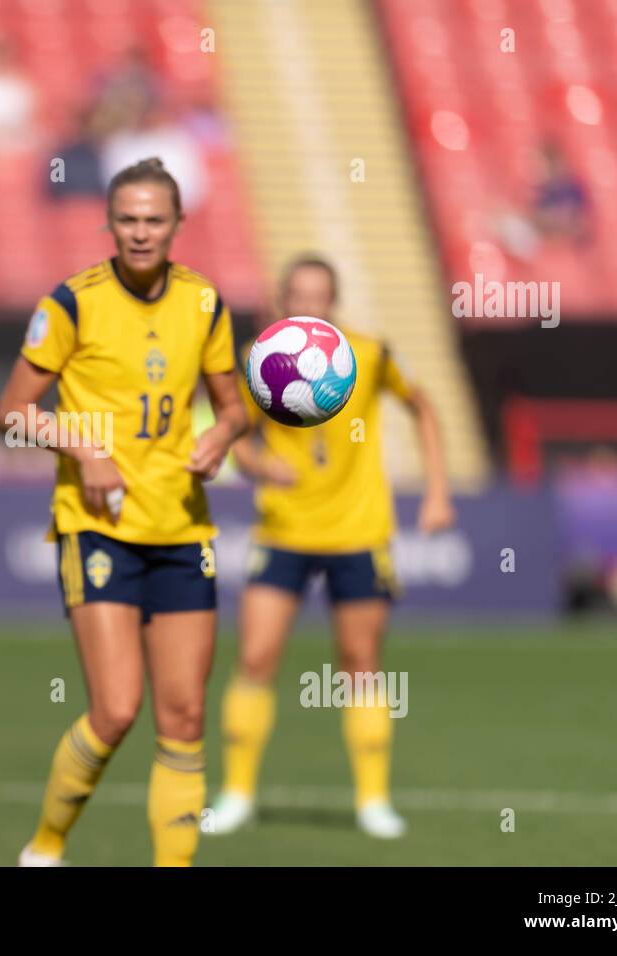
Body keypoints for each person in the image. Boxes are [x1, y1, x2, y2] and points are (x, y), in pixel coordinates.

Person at [0, 158, 247, 866]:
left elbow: (233, 410)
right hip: (98, 525)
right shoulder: (72, 303)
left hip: (182, 528)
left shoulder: (205, 303)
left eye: (154, 220)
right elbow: (12, 412)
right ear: (110, 223)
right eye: (129, 220)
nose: (141, 233)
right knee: (114, 711)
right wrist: (82, 447)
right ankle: (46, 846)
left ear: (177, 225)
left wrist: (222, 436)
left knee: (186, 718)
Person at [208, 255, 455, 839]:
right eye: (299, 294)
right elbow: (234, 433)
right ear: (282, 299)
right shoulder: (261, 358)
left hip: (358, 532)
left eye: (320, 295)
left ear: (334, 301)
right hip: (284, 530)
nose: (310, 305)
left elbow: (422, 406)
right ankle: (238, 791)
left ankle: (373, 799)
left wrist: (438, 491)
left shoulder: (369, 354)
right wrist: (257, 463)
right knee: (255, 658)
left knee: (360, 666)